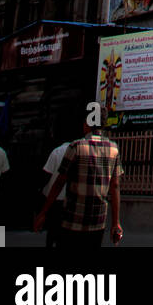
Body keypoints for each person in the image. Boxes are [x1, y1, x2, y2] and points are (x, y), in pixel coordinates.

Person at [34, 105, 123, 248]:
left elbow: (59, 182)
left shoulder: (76, 146)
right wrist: (116, 222)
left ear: (87, 123)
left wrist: (43, 212)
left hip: (73, 218)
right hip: (98, 220)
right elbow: (115, 186)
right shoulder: (113, 149)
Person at [40, 136, 70, 248]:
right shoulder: (81, 151)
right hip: (70, 198)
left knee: (52, 229)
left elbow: (47, 173)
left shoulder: (57, 151)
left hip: (55, 197)